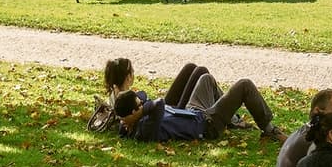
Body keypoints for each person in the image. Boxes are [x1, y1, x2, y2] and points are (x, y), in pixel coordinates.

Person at [101, 58, 278, 142]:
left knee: (205, 78)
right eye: (140, 105)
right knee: (244, 84)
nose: (143, 103)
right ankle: (269, 129)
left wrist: (131, 116)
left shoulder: (132, 122)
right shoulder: (145, 128)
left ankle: (232, 119)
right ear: (134, 112)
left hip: (193, 114)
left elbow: (145, 99)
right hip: (207, 125)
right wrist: (138, 113)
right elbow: (158, 103)